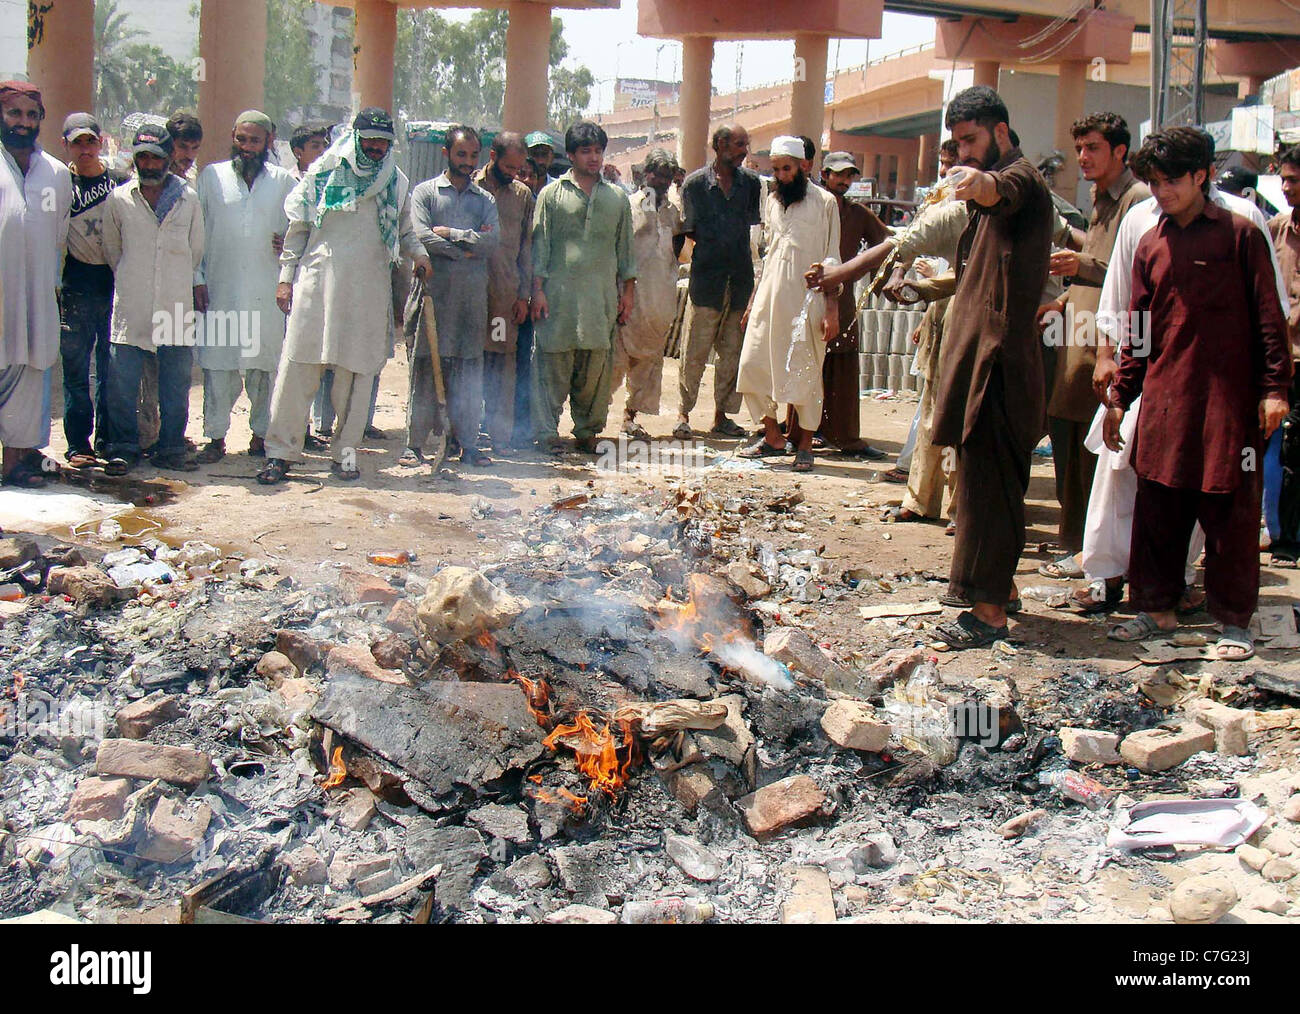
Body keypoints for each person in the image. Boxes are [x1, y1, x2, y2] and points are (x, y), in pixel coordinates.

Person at [1071, 145, 1285, 615]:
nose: (1163, 192)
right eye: (1155, 182)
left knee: (1228, 511)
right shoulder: (1150, 240)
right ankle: (1154, 609)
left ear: (1203, 175)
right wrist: (1122, 398)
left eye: (1174, 181)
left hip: (1228, 401)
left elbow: (1271, 319)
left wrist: (1274, 390)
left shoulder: (1241, 232)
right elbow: (1139, 330)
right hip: (1165, 398)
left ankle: (1232, 620)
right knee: (1158, 507)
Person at [926, 86, 1054, 650]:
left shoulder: (1020, 177)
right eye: (956, 146)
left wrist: (979, 181)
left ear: (1000, 131)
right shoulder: (982, 196)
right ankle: (991, 588)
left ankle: (990, 610)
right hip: (979, 359)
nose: (963, 154)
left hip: (1000, 364)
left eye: (971, 141)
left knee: (995, 484)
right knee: (980, 483)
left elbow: (1005, 189)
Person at [258, 108, 430, 484]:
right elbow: (298, 229)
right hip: (317, 284)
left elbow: (405, 231)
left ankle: (345, 455)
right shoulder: (325, 172)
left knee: (357, 375)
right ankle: (280, 453)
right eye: (369, 139)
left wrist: (419, 255)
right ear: (355, 137)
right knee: (298, 368)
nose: (375, 147)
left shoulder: (394, 181)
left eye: (383, 142)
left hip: (367, 291)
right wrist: (286, 278)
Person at [1033, 113, 1149, 576]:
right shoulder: (1102, 198)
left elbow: (1127, 275)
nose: (1083, 157)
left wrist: (1078, 264)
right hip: (1076, 333)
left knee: (1092, 445)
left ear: (1120, 151)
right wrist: (1062, 299)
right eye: (1079, 148)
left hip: (1103, 342)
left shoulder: (1136, 200)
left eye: (1093, 148)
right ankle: (1076, 541)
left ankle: (1094, 550)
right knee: (1065, 431)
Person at [193, 110, 297, 463]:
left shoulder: (285, 182)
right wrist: (198, 278)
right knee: (219, 365)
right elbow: (198, 232)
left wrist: (289, 244)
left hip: (266, 290)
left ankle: (261, 435)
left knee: (264, 367)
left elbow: (301, 229)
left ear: (269, 141)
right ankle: (215, 437)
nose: (247, 147)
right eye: (241, 139)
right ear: (232, 138)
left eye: (255, 141)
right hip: (220, 287)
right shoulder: (211, 177)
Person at [101, 123, 204, 475]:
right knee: (122, 384)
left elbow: (196, 250)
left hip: (175, 305)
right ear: (135, 158)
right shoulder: (120, 199)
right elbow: (113, 250)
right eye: (142, 157)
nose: (148, 164)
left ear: (168, 158)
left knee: (175, 386)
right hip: (131, 304)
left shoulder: (188, 199)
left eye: (155, 157)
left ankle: (172, 447)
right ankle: (123, 448)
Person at [735, 135, 841, 472]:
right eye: (776, 169)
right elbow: (768, 254)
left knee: (806, 371)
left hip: (806, 303)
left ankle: (805, 445)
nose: (780, 175)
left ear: (805, 166)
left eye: (787, 168)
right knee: (753, 365)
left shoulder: (825, 203)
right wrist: (753, 301)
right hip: (768, 298)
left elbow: (833, 260)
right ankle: (772, 436)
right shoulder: (772, 201)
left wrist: (831, 310)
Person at [529, 120, 635, 454]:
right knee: (552, 364)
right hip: (558, 299)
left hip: (599, 300)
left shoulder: (617, 198)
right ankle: (546, 432)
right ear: (571, 155)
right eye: (585, 151)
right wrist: (538, 289)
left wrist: (627, 294)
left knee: (596, 368)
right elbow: (540, 246)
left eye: (598, 151)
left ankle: (588, 431)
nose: (593, 158)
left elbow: (626, 253)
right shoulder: (551, 195)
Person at [403, 124, 499, 468]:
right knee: (426, 370)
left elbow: (492, 241)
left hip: (471, 300)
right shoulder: (425, 193)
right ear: (447, 154)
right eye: (461, 154)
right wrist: (464, 251)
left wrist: (454, 234)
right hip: (434, 297)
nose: (467, 161)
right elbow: (421, 236)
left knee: (469, 372)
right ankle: (414, 445)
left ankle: (467, 446)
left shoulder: (485, 199)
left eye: (473, 155)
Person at [0, 80, 71, 488]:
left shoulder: (56, 173)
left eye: (31, 115)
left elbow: (58, 234)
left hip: (37, 292)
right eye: (14, 113)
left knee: (30, 370)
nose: (23, 123)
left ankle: (14, 465)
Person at [675, 124, 762, 440]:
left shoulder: (750, 184)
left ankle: (722, 416)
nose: (744, 151)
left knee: (732, 352)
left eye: (746, 144)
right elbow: (689, 230)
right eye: (740, 144)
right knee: (694, 351)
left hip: (739, 279)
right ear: (721, 145)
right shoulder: (695, 185)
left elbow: (751, 226)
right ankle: (684, 413)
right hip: (706, 280)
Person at [60, 112, 127, 468]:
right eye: (77, 142)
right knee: (75, 373)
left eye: (90, 141)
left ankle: (107, 441)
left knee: (111, 371)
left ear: (100, 142)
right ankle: (78, 445)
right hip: (76, 289)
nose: (84, 149)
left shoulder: (120, 182)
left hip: (115, 287)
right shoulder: (58, 184)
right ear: (66, 145)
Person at [815, 151, 890, 458]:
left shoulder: (858, 214)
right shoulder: (813, 207)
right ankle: (808, 431)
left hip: (843, 298)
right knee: (811, 362)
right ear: (825, 174)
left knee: (843, 365)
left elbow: (885, 242)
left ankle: (845, 435)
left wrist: (878, 280)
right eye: (838, 175)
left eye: (849, 176)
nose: (844, 181)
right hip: (810, 293)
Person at [612, 148, 684, 440]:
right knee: (616, 358)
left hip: (659, 299)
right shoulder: (627, 206)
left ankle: (630, 418)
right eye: (658, 175)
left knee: (649, 361)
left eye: (668, 176)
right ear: (645, 174)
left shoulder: (672, 212)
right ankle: (592, 420)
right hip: (631, 295)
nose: (662, 181)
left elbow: (676, 249)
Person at [474, 131, 534, 453]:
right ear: (493, 157)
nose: (513, 173)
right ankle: (465, 435)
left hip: (502, 299)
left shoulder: (523, 196)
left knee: (500, 366)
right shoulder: (469, 187)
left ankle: (500, 436)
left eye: (518, 168)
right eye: (508, 167)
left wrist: (523, 295)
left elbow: (526, 249)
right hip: (469, 296)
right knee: (470, 363)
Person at [1268, 146, 1300, 563]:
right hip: (1282, 360)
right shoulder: (1274, 229)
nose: (1287, 187)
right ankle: (1280, 531)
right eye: (1285, 179)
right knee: (1279, 449)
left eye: (1295, 179)